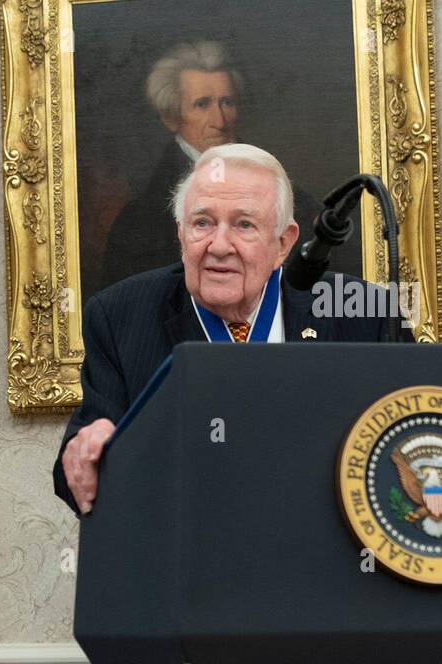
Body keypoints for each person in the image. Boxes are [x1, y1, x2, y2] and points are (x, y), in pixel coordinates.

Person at [57, 143, 403, 517]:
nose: (219, 246)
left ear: (283, 242)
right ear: (180, 232)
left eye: (244, 225)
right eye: (203, 222)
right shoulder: (118, 316)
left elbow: (405, 445)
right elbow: (78, 467)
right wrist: (86, 451)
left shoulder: (361, 312)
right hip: (185, 554)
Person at [97, 42, 332, 296]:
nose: (219, 121)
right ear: (170, 117)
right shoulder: (140, 221)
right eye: (202, 104)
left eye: (226, 103)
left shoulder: (293, 200)